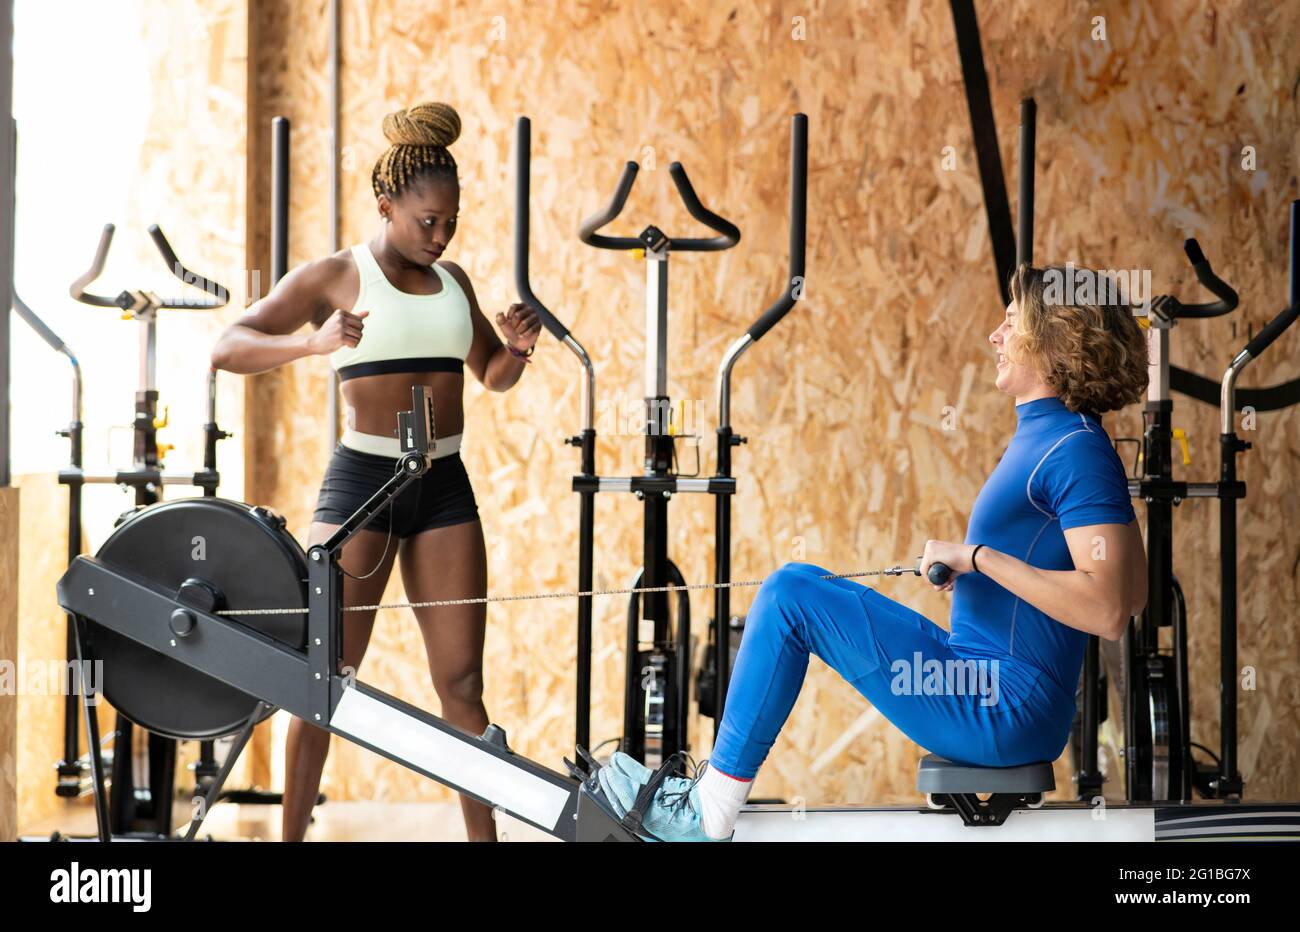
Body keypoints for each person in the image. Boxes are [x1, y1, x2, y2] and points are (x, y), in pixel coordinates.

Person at [596, 264, 1150, 841]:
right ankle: (707, 798)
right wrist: (986, 581)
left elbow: (1111, 607)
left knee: (789, 595)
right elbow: (1125, 589)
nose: (995, 336)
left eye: (1011, 322)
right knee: (800, 582)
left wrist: (980, 560)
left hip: (1000, 702)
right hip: (980, 678)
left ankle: (708, 813)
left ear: (1054, 341)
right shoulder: (1062, 437)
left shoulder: (1075, 450)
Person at [210, 101, 540, 842]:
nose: (442, 233)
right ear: (386, 205)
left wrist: (515, 351)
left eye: (451, 219)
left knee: (461, 685)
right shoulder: (336, 275)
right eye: (427, 219)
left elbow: (487, 373)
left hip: (444, 489)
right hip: (365, 486)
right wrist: (311, 345)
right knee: (323, 683)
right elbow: (226, 346)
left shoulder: (454, 280)